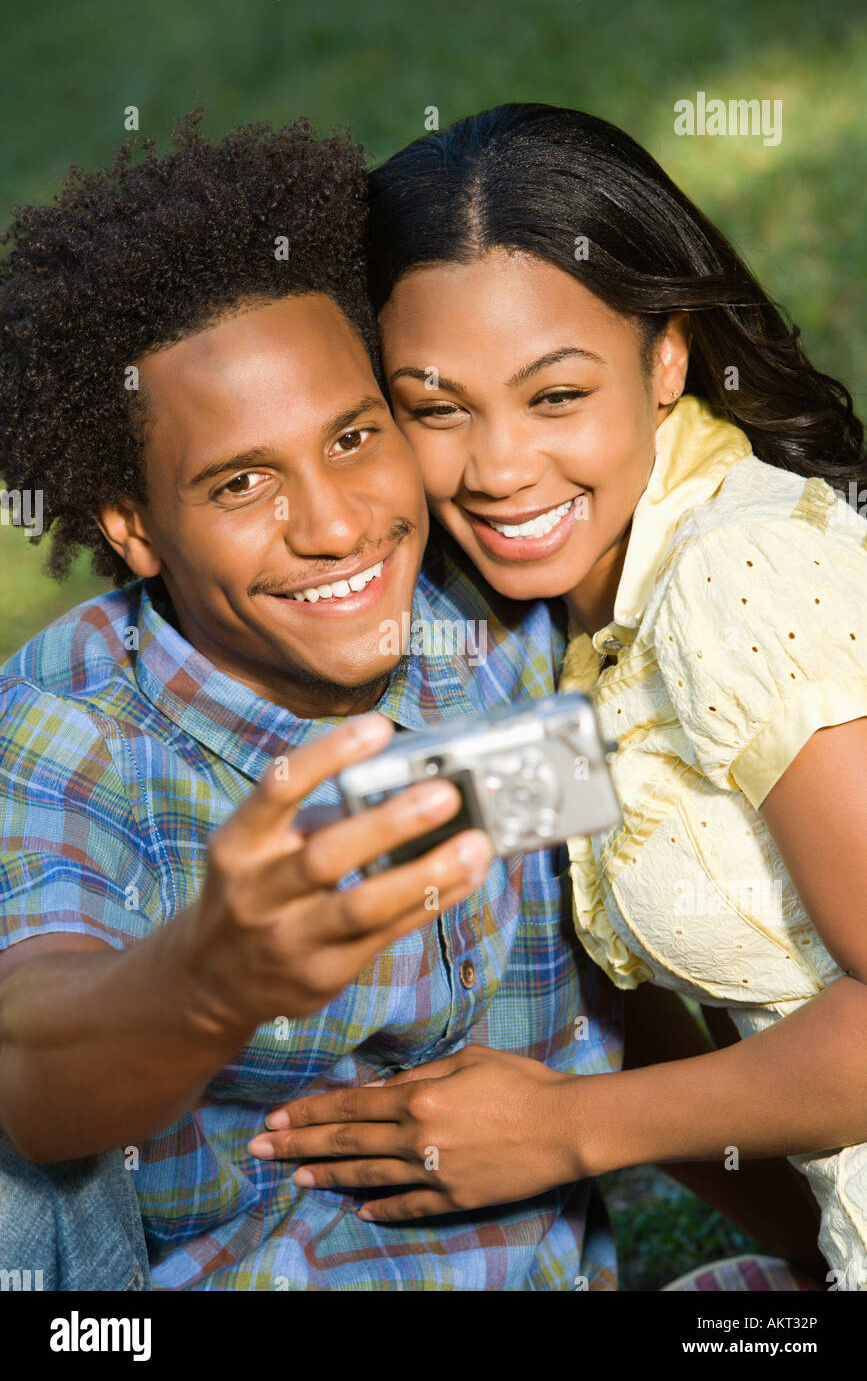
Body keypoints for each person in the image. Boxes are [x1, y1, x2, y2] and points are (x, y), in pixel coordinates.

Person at [0, 111, 626, 1292]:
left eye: (353, 437)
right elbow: (36, 1075)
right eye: (242, 482)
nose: (336, 526)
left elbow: (654, 937)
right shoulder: (71, 726)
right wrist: (207, 979)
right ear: (133, 526)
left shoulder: (500, 616)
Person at [253, 104, 867, 1291]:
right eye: (436, 408)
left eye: (555, 396)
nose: (499, 469)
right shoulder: (565, 627)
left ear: (669, 355)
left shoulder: (731, 578)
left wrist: (567, 1126)